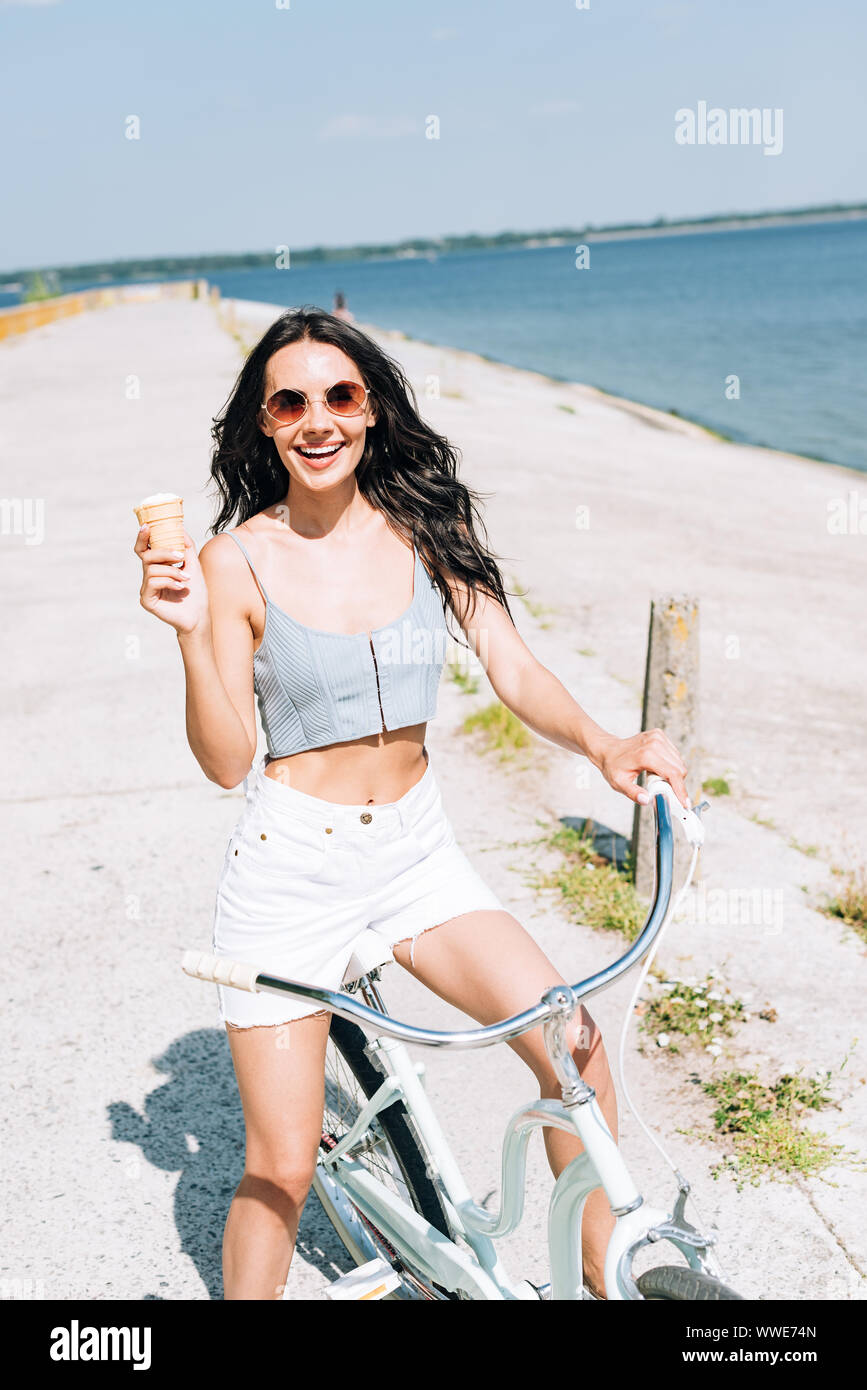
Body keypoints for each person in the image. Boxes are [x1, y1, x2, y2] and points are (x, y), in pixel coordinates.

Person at [134, 305, 689, 1301]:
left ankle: (601, 1283)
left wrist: (605, 744)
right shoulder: (234, 559)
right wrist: (186, 633)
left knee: (574, 1048)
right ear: (263, 421)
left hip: (415, 853)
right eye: (290, 402)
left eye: (339, 396)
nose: (317, 420)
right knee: (282, 1165)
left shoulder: (431, 529)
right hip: (293, 868)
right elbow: (224, 762)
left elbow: (512, 664)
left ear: (372, 410)